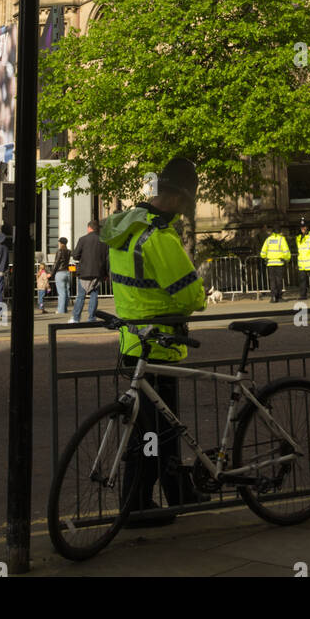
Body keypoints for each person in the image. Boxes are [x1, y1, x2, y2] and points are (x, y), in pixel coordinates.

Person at [100, 156, 207, 525]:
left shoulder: (124, 229)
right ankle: (139, 504)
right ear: (177, 198)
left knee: (154, 429)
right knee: (155, 432)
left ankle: (177, 494)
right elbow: (193, 297)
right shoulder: (159, 237)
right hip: (159, 345)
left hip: (132, 342)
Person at [70, 220, 109, 324]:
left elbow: (75, 255)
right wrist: (106, 274)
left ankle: (76, 318)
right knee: (94, 295)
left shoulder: (83, 239)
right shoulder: (104, 241)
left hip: (84, 272)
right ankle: (91, 318)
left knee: (81, 296)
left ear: (89, 228)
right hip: (98, 272)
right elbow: (106, 259)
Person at [260, 228, 291, 303]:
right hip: (279, 263)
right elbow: (286, 251)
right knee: (279, 280)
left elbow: (263, 252)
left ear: (272, 232)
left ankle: (273, 297)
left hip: (270, 263)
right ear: (279, 232)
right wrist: (287, 258)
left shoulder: (268, 239)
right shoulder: (281, 239)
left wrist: (265, 258)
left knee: (272, 281)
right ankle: (279, 297)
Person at [51, 237, 72, 315]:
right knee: (67, 291)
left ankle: (61, 310)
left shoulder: (59, 251)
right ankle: (65, 308)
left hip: (60, 273)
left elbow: (56, 263)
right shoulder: (69, 251)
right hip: (67, 272)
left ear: (61, 243)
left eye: (59, 242)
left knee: (61, 293)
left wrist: (51, 273)